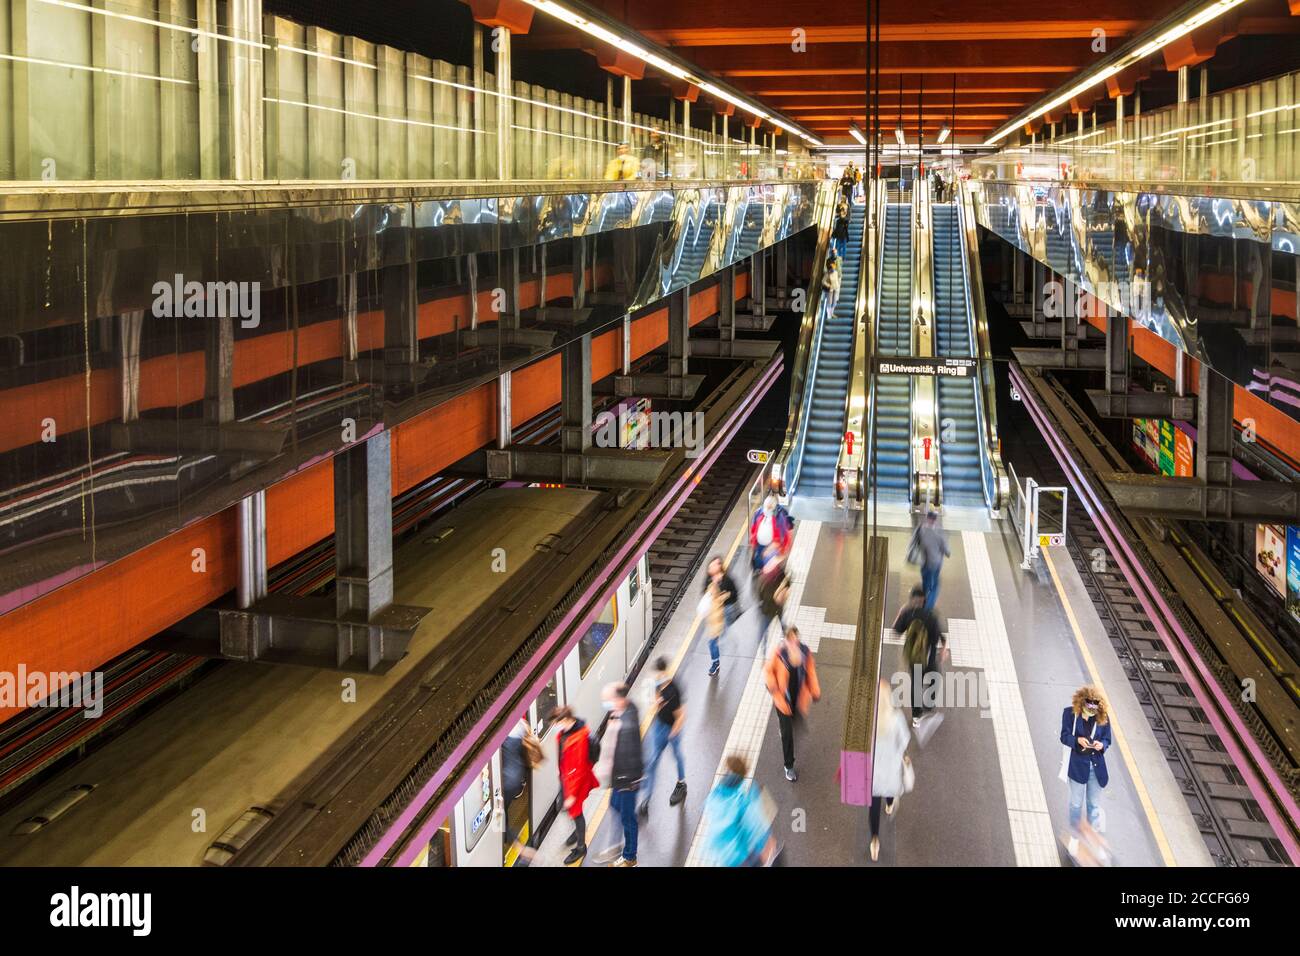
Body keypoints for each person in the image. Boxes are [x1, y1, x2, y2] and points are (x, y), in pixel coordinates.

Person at [763, 625, 820, 782]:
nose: (794, 643)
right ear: (787, 641)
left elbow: (811, 672)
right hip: (782, 701)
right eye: (791, 640)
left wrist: (815, 691)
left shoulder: (805, 652)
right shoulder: (779, 654)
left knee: (797, 723)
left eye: (796, 639)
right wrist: (773, 687)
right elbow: (768, 671)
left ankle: (786, 727)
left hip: (798, 699)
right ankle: (789, 766)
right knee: (787, 735)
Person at [596, 682, 643, 866]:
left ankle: (630, 856)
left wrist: (624, 783)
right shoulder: (627, 709)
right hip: (621, 779)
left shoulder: (625, 727)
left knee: (628, 818)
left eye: (608, 701)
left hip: (626, 780)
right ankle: (618, 845)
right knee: (615, 805)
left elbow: (626, 759)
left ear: (619, 700)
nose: (606, 704)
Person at [700, 755, 778, 866]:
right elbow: (755, 826)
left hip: (723, 858)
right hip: (742, 857)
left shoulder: (714, 796)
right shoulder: (743, 801)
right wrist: (768, 840)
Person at [868, 678, 911, 861]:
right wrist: (904, 756)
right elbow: (904, 741)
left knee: (873, 806)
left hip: (874, 772)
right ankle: (890, 805)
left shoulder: (869, 718)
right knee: (890, 793)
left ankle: (875, 842)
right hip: (891, 769)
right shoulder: (896, 717)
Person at [1060, 686, 1112, 833]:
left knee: (1093, 804)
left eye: (1094, 710)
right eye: (1088, 709)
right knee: (1076, 804)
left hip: (1096, 767)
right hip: (1077, 767)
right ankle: (1075, 834)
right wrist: (1077, 741)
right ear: (1081, 703)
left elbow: (1107, 739)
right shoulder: (1069, 714)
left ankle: (1092, 836)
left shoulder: (1103, 717)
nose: (1091, 712)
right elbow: (1064, 736)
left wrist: (1101, 745)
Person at [639, 657, 687, 818]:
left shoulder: (674, 690)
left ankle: (681, 783)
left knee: (677, 756)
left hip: (671, 729)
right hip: (659, 726)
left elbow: (681, 716)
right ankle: (646, 799)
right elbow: (656, 704)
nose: (656, 677)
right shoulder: (658, 684)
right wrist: (656, 703)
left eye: (658, 674)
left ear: (664, 671)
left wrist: (674, 733)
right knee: (653, 760)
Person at [893, 584, 946, 726]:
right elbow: (941, 637)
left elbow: (896, 633)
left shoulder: (908, 614)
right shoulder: (932, 616)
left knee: (916, 684)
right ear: (924, 600)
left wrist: (900, 613)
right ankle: (928, 704)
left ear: (913, 600)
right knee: (934, 679)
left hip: (914, 657)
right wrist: (943, 651)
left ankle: (916, 716)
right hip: (930, 658)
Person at [552, 706, 599, 866]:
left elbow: (578, 769)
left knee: (576, 813)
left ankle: (581, 847)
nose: (555, 727)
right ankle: (577, 834)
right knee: (574, 812)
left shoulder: (579, 738)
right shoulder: (566, 733)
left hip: (576, 783)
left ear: (565, 720)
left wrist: (571, 794)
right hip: (568, 779)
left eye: (556, 723)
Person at [500, 715, 538, 864]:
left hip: (507, 782)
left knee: (501, 818)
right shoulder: (521, 724)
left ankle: (520, 849)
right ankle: (511, 844)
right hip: (518, 777)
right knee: (504, 814)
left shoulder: (502, 734)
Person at [702, 556, 740, 677]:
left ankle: (717, 660)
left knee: (721, 634)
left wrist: (725, 596)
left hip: (726, 609)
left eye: (715, 565)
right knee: (713, 641)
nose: (712, 568)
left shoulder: (727, 580)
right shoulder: (709, 581)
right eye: (711, 566)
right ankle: (716, 662)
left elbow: (735, 593)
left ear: (720, 566)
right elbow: (704, 593)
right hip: (715, 615)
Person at [908, 510, 950, 611]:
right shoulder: (939, 532)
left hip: (923, 562)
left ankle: (923, 600)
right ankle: (927, 608)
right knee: (934, 586)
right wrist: (947, 553)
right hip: (935, 563)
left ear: (927, 518)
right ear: (935, 519)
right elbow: (946, 550)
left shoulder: (921, 529)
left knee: (926, 582)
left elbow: (913, 542)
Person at [756, 546, 791, 650]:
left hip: (775, 607)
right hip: (769, 608)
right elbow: (760, 594)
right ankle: (764, 649)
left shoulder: (777, 573)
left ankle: (785, 641)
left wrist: (783, 592)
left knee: (771, 628)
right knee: (766, 630)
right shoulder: (764, 576)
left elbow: (787, 583)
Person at [749, 494, 792, 573]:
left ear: (774, 507)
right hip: (759, 546)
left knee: (769, 569)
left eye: (769, 507)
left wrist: (777, 548)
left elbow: (784, 535)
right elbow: (754, 528)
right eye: (766, 507)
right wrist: (753, 542)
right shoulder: (758, 513)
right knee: (758, 564)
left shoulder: (780, 517)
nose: (767, 509)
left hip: (772, 548)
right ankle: (759, 572)